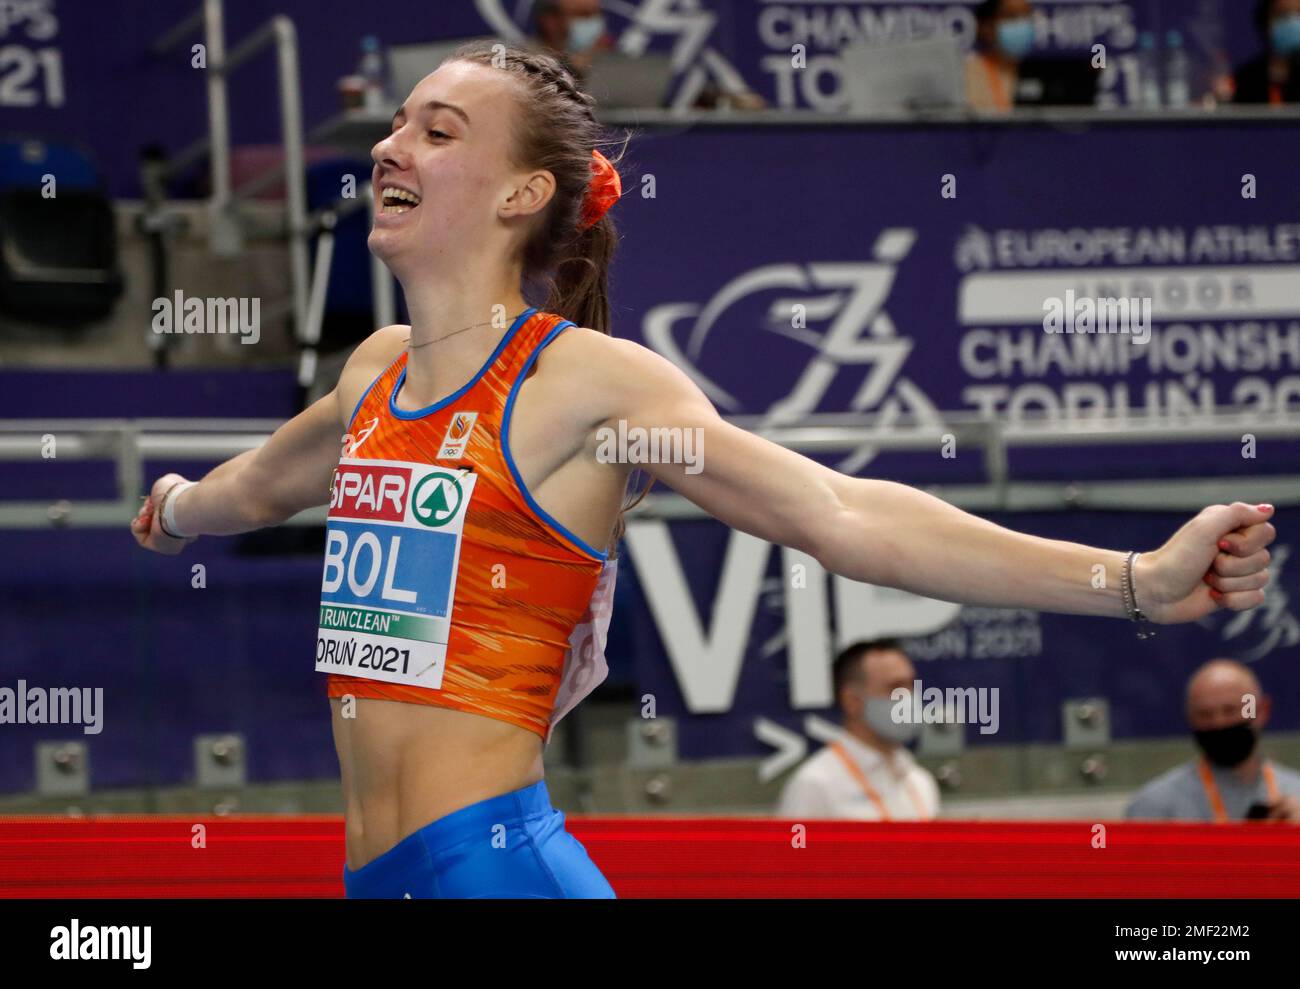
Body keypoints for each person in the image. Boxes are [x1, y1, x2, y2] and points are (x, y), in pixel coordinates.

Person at [133, 40, 1277, 898]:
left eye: (437, 131)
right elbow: (266, 485)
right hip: (377, 878)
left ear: (523, 193)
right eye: (396, 124)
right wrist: (178, 507)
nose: (389, 145)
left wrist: (1129, 579)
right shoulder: (375, 369)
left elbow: (839, 512)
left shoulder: (591, 389)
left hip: (494, 866)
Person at [777, 639, 939, 821]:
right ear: (852, 701)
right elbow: (792, 849)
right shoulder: (815, 785)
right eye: (894, 687)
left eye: (910, 685)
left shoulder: (919, 781)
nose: (908, 697)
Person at [1126, 659, 1300, 823]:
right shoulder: (1156, 807)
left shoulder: (1295, 793)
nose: (1219, 723)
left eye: (1230, 710)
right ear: (1190, 719)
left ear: (1260, 711)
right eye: (1205, 714)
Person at [965, 0, 1036, 112]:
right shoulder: (966, 74)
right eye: (1011, 16)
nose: (1022, 24)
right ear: (985, 26)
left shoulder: (1047, 75)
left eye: (1027, 16)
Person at [1233, 0, 1300, 104]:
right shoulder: (1245, 79)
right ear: (1265, 21)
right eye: (1283, 15)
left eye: (1298, 15)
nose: (1292, 22)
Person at [531, 0, 613, 80]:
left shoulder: (608, 59)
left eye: (595, 14)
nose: (591, 21)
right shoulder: (529, 60)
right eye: (582, 14)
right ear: (551, 20)